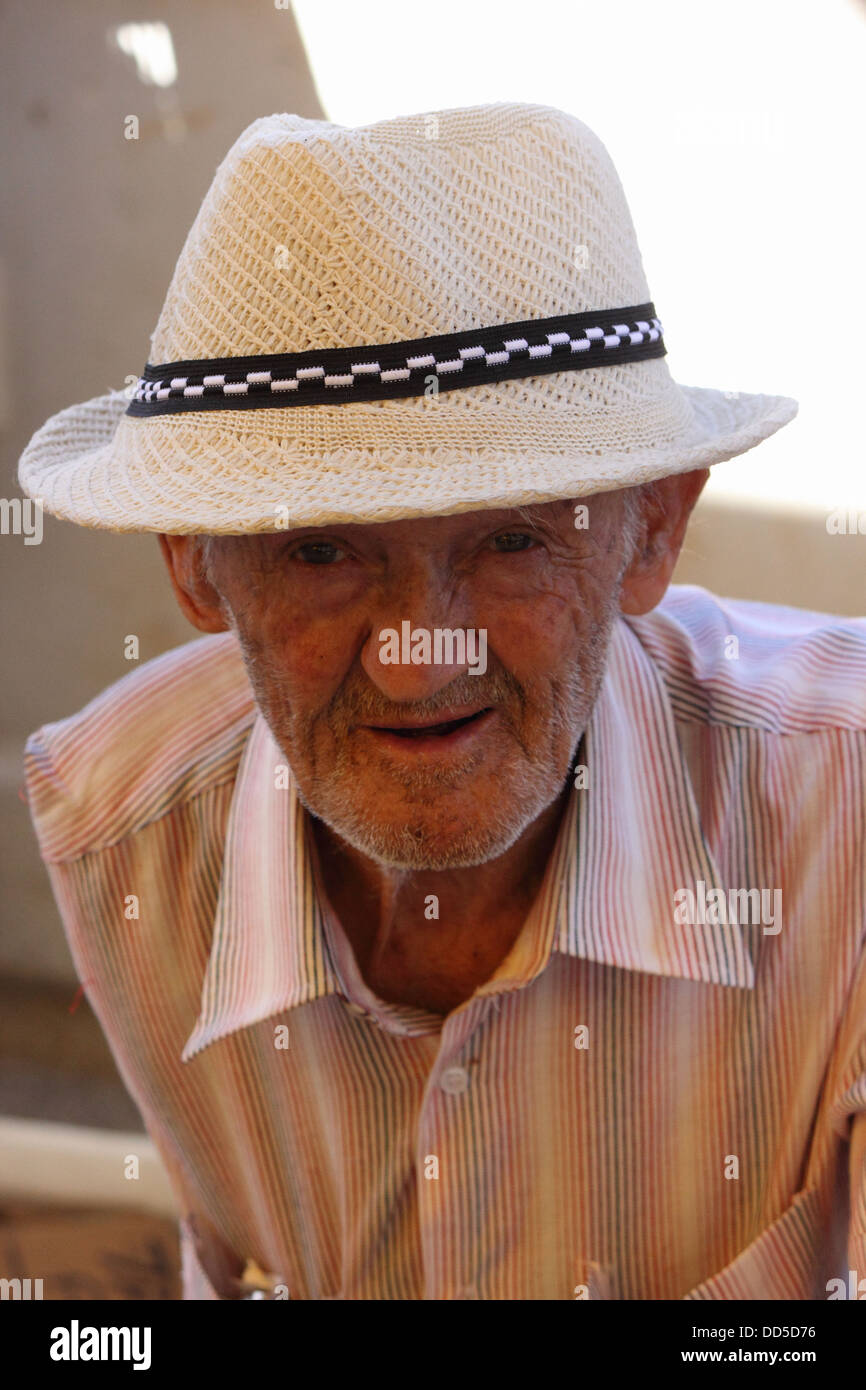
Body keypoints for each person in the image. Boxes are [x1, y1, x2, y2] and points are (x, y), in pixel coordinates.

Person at [18, 102, 866, 1300]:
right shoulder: (121, 825)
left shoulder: (848, 815)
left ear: (652, 529)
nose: (417, 661)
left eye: (513, 539)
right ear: (194, 564)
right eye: (321, 551)